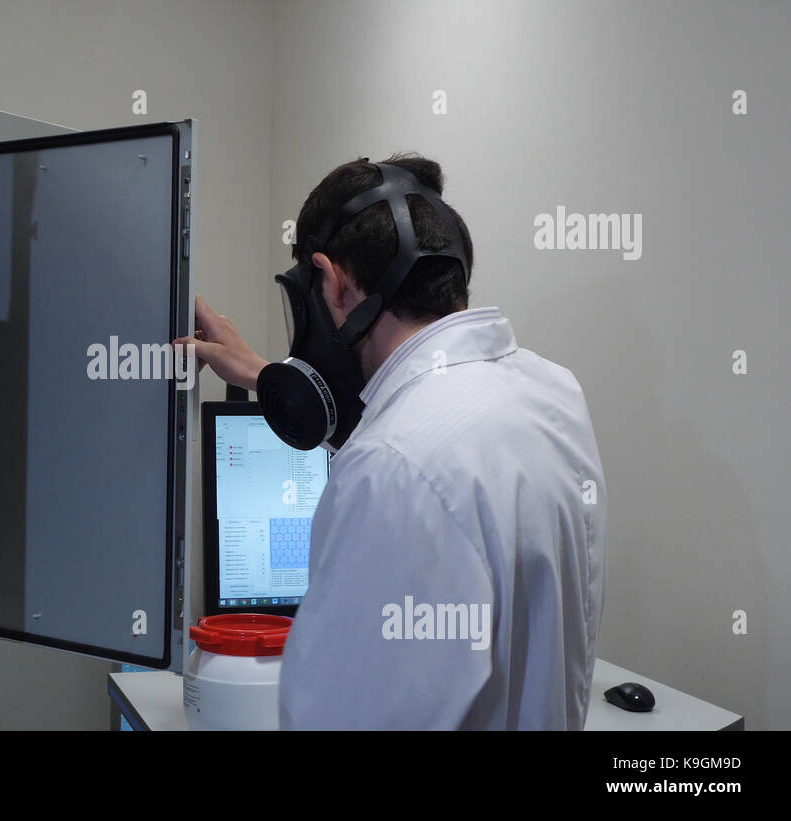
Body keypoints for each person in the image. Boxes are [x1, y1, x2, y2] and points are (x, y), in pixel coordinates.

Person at [175, 155, 606, 729]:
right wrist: (263, 375)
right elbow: (426, 417)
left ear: (329, 282)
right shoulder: (551, 392)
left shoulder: (389, 469)